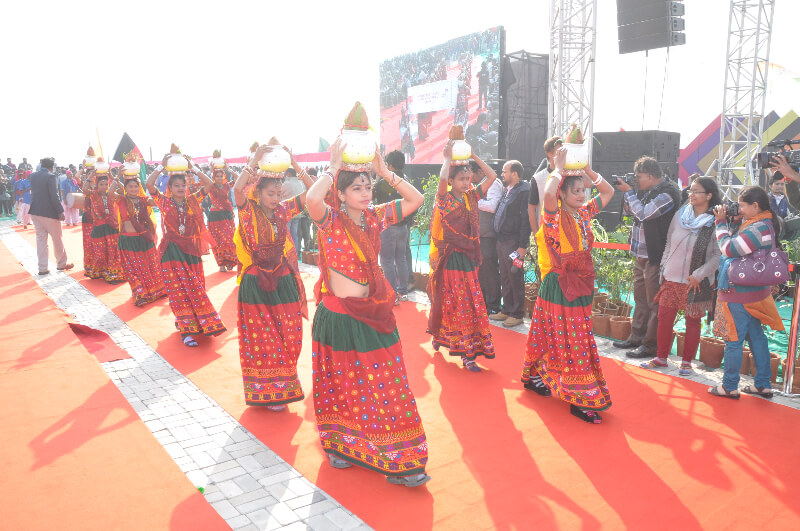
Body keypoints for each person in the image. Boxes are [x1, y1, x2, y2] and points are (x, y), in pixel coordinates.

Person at [305, 104, 429, 487]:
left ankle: (401, 458)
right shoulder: (331, 220)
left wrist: (384, 172)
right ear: (340, 194)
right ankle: (342, 445)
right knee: (342, 385)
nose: (364, 192)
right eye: (356, 187)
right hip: (338, 318)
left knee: (388, 383)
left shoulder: (376, 216)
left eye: (367, 187)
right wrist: (332, 167)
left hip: (372, 313)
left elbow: (416, 201)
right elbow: (312, 201)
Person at [521, 147, 616, 423]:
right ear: (562, 194)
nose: (581, 194)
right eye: (574, 191)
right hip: (559, 285)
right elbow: (548, 195)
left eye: (582, 190)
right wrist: (558, 170)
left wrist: (587, 172)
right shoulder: (553, 216)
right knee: (570, 341)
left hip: (582, 285)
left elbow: (608, 193)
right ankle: (578, 397)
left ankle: (535, 375)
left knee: (563, 336)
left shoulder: (584, 214)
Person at [232, 142, 315, 411]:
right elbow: (236, 189)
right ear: (258, 191)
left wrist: (294, 162)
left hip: (283, 279)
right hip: (255, 283)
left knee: (291, 333)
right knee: (263, 340)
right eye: (271, 193)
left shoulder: (284, 210)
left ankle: (283, 379)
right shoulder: (248, 211)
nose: (276, 196)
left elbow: (313, 192)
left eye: (279, 192)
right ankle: (271, 389)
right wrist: (256, 158)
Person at [428, 133, 497, 371]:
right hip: (452, 260)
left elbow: (492, 176)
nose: (466, 182)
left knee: (470, 304)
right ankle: (453, 345)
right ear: (451, 181)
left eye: (468, 178)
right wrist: (447, 159)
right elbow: (441, 182)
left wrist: (473, 155)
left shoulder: (471, 197)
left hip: (469, 260)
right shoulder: (445, 200)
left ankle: (466, 350)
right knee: (454, 304)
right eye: (461, 179)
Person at [639, 177, 722, 375]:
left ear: (709, 195)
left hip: (696, 282)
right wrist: (664, 267)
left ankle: (686, 362)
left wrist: (699, 275)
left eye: (697, 191)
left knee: (693, 321)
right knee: (664, 317)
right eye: (690, 190)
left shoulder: (716, 221)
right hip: (671, 278)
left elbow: (718, 255)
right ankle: (661, 358)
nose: (691, 194)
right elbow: (669, 242)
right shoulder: (679, 215)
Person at [708, 186, 785, 399]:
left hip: (740, 293)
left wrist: (720, 223)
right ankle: (762, 384)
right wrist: (734, 222)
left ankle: (729, 386)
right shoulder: (767, 223)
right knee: (757, 338)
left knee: (733, 340)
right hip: (757, 293)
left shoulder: (757, 228)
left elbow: (729, 249)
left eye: (742, 205)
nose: (739, 209)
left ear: (755, 206)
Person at [146, 149, 226, 347]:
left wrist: (194, 168)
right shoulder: (163, 202)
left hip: (191, 252)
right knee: (179, 291)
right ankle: (186, 330)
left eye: (184, 184)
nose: (181, 188)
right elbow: (149, 185)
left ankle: (195, 322)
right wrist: (161, 167)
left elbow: (209, 184)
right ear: (170, 188)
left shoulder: (193, 200)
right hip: (172, 252)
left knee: (197, 288)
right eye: (177, 185)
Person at [613, 156, 681, 358]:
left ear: (651, 176)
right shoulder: (645, 191)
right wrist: (629, 195)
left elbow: (644, 214)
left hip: (655, 255)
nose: (636, 180)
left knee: (653, 302)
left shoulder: (669, 192)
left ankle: (650, 345)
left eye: (639, 177)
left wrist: (629, 193)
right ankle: (636, 338)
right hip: (641, 253)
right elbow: (630, 213)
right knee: (640, 299)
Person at [112, 169, 167, 306]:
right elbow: (109, 194)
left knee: (150, 266)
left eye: (136, 186)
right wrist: (117, 177)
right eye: (130, 186)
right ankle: (139, 294)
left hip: (144, 238)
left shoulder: (144, 200)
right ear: (125, 188)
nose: (133, 189)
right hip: (128, 240)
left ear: (139, 187)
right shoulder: (121, 199)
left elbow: (159, 201)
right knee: (133, 269)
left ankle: (156, 290)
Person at [489, 160, 531, 328]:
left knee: (515, 276)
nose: (502, 174)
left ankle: (517, 313)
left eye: (505, 171)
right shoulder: (508, 189)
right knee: (505, 275)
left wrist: (522, 246)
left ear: (514, 173)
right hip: (502, 239)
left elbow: (525, 220)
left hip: (514, 241)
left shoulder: (524, 191)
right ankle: (506, 309)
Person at [375, 150, 410, 303]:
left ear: (389, 165)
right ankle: (403, 292)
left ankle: (392, 294)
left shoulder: (385, 182)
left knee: (387, 261)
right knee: (400, 258)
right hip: (403, 226)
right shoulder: (407, 180)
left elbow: (372, 195)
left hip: (387, 225)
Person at [28, 157, 73, 275]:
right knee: (57, 239)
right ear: (52, 167)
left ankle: (42, 268)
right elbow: (54, 196)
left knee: (41, 240)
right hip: (49, 213)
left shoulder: (33, 176)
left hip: (35, 212)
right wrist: (60, 211)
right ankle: (61, 263)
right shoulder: (51, 176)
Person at [81, 165, 125, 284]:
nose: (104, 187)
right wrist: (90, 176)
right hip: (99, 227)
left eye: (106, 184)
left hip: (112, 227)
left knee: (113, 252)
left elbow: (122, 189)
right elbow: (84, 189)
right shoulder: (93, 194)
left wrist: (113, 177)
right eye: (101, 184)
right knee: (101, 252)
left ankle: (113, 274)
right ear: (97, 185)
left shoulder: (112, 194)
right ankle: (103, 273)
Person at [472, 158, 503, 315]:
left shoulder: (493, 184)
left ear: (479, 171)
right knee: (482, 270)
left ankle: (494, 304)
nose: (468, 178)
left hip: (489, 236)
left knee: (489, 270)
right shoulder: (477, 186)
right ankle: (484, 301)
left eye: (470, 174)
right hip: (479, 235)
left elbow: (492, 206)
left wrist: (471, 201)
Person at [207, 161, 238, 273]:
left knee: (230, 239)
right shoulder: (211, 186)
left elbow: (237, 178)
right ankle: (221, 264)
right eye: (217, 176)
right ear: (214, 177)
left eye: (221, 176)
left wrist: (228, 168)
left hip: (227, 215)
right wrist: (211, 170)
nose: (219, 178)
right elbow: (205, 179)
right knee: (218, 241)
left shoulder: (226, 186)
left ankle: (230, 261)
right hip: (215, 216)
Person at [529, 136, 562, 233]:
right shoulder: (538, 178)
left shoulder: (570, 174)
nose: (563, 153)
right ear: (550, 153)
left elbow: (589, 183)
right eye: (560, 150)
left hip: (568, 234)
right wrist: (536, 234)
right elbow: (531, 209)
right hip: (547, 234)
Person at [281, 167, 306, 253]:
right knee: (294, 233)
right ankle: (295, 252)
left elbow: (279, 194)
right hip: (298, 211)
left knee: (286, 234)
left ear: (289, 174)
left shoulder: (286, 184)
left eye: (285, 173)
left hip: (287, 211)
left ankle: (288, 252)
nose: (284, 175)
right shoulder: (300, 183)